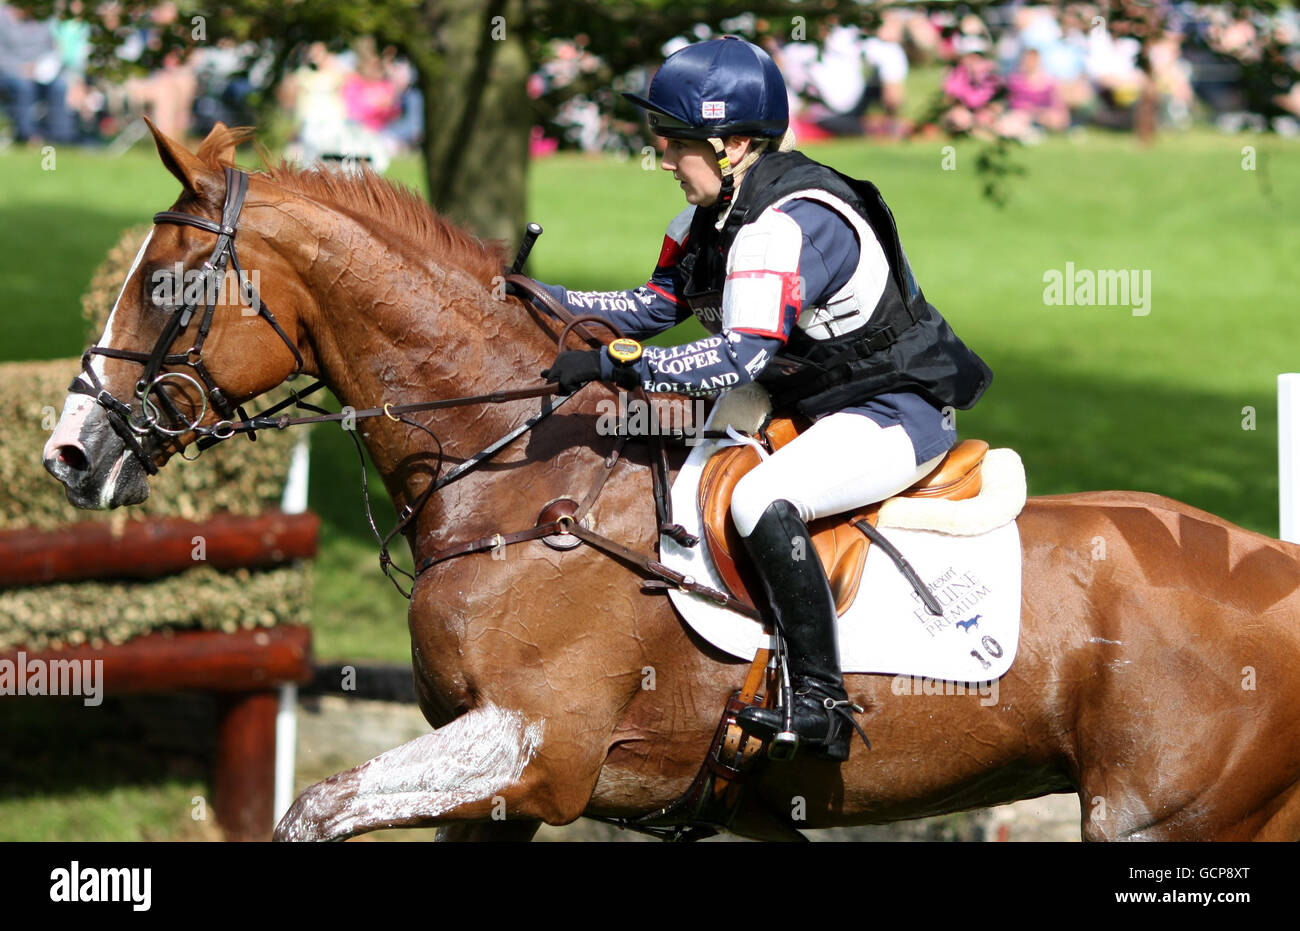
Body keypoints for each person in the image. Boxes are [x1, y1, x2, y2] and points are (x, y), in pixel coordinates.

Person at [531, 37, 992, 761]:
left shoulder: (785, 225)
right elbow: (650, 305)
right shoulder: (705, 219)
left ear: (733, 143)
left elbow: (736, 355)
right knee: (661, 456)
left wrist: (620, 366)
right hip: (802, 404)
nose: (661, 158)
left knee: (759, 501)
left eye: (676, 143)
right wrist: (538, 296)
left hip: (892, 410)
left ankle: (822, 701)